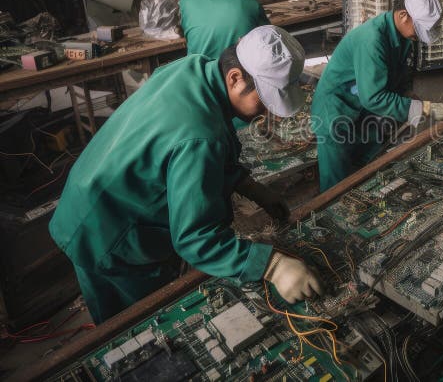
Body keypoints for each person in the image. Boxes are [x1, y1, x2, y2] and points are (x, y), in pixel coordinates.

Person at [49, 27, 322, 324]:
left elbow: (205, 144)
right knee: (136, 331)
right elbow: (195, 239)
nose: (269, 112)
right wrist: (273, 267)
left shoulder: (193, 68)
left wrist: (251, 187)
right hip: (106, 231)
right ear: (234, 77)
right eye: (266, 99)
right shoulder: (200, 137)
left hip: (92, 188)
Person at [311, 0, 443, 191]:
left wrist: (410, 97)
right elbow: (373, 97)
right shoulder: (372, 39)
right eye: (418, 30)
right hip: (334, 108)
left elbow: (398, 77)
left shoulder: (404, 38)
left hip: (360, 106)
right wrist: (423, 108)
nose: (419, 37)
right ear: (403, 15)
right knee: (337, 183)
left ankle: (363, 201)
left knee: (369, 160)